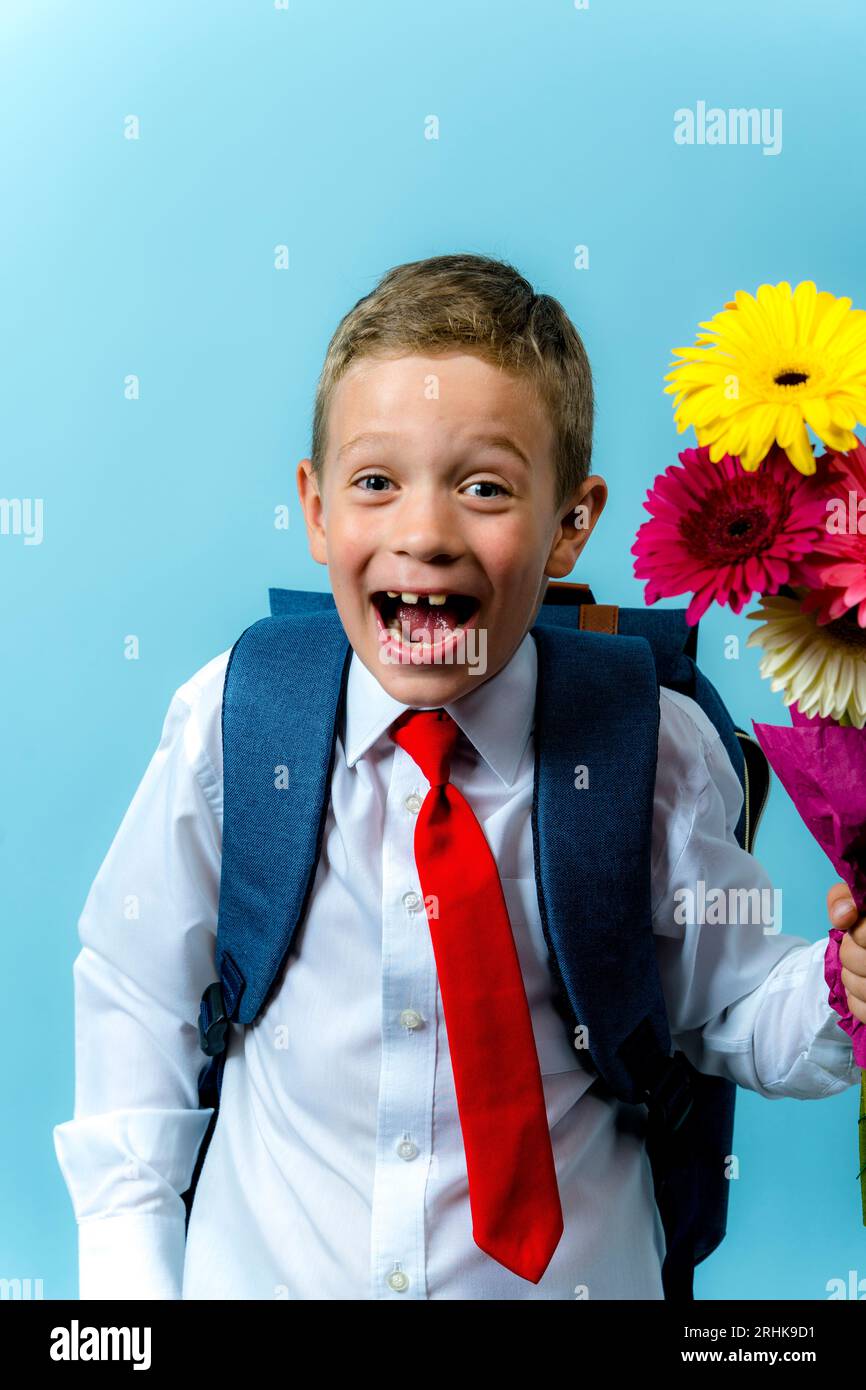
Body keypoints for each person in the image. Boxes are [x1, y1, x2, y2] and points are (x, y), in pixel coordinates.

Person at [53, 252, 864, 1300]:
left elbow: (734, 1006)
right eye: (375, 483)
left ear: (572, 523)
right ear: (314, 508)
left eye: (484, 487)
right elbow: (135, 998)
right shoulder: (235, 719)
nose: (425, 534)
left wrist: (838, 994)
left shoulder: (644, 746)